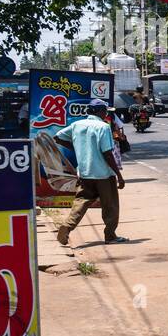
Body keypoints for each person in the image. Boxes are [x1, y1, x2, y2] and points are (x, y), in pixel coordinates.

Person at [55, 99, 128, 246]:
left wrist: (76, 147)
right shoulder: (103, 127)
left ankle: (67, 226)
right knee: (110, 206)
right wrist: (119, 176)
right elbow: (107, 153)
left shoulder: (77, 125)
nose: (106, 114)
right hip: (103, 175)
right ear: (101, 111)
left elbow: (58, 137)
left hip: (84, 173)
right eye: (105, 111)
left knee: (81, 202)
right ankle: (110, 235)